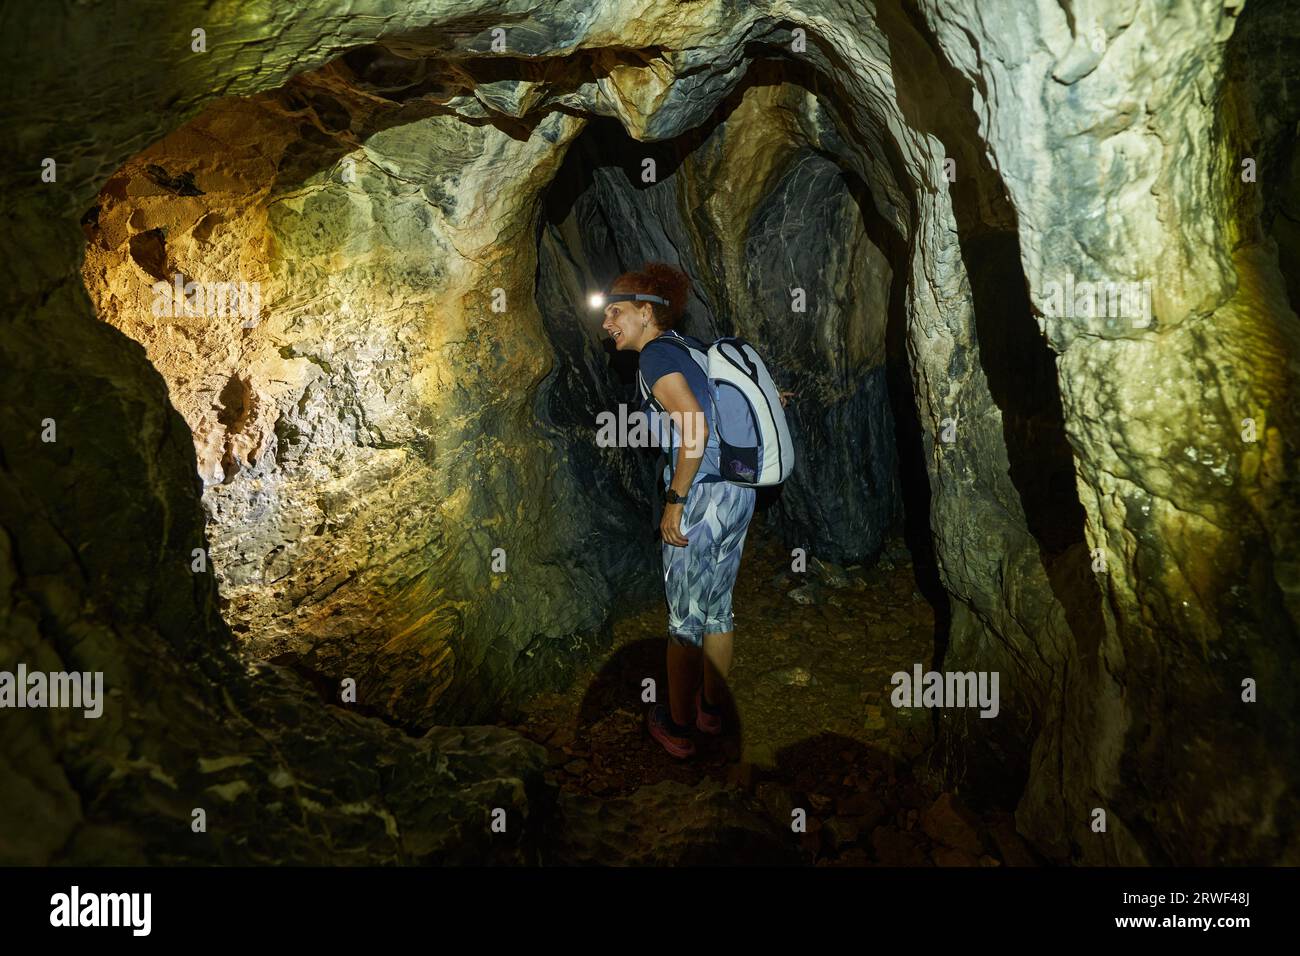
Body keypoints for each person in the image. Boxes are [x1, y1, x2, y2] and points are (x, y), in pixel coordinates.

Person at [600, 262, 788, 758]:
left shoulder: (656, 359)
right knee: (718, 611)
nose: (607, 324)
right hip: (738, 492)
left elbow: (695, 428)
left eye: (615, 312)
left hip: (701, 495)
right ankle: (710, 710)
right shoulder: (695, 350)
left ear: (646, 312)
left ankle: (678, 727)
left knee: (684, 620)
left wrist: (676, 501)